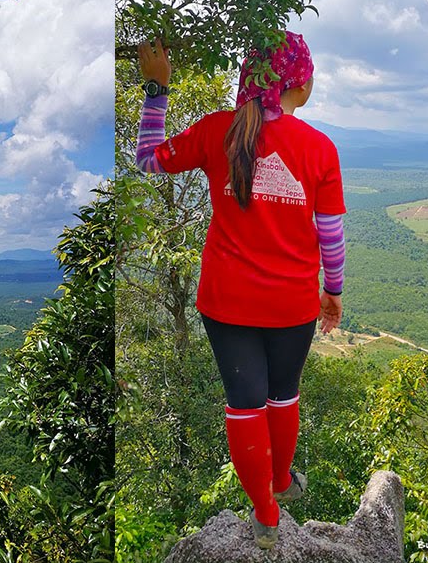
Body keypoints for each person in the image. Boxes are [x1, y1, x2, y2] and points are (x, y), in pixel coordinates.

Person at [134, 34, 346, 550]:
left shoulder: (216, 132)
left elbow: (147, 160)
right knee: (283, 394)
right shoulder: (319, 148)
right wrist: (332, 290)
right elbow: (331, 233)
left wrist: (157, 88)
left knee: (244, 404)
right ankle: (277, 480)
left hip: (225, 302)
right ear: (302, 81)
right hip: (292, 303)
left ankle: (267, 511)